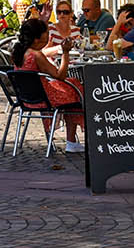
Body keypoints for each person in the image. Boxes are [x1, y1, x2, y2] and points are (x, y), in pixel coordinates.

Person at [12, 17, 85, 153]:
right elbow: (60, 75)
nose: (47, 40)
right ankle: (71, 141)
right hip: (44, 98)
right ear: (36, 39)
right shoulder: (36, 55)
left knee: (72, 84)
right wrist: (66, 53)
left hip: (26, 98)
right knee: (75, 89)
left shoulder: (19, 52)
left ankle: (72, 141)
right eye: (45, 38)